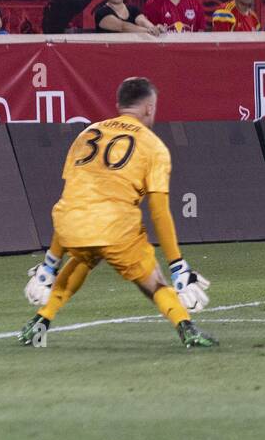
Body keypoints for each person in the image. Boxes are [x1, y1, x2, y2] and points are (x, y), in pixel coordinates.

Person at [17, 77, 218, 350]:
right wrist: (178, 265)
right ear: (149, 108)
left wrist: (50, 263)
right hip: (116, 228)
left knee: (83, 257)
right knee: (155, 282)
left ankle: (41, 320)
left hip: (71, 225)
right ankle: (187, 327)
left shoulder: (86, 133)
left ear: (118, 105)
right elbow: (159, 212)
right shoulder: (153, 146)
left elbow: (71, 198)